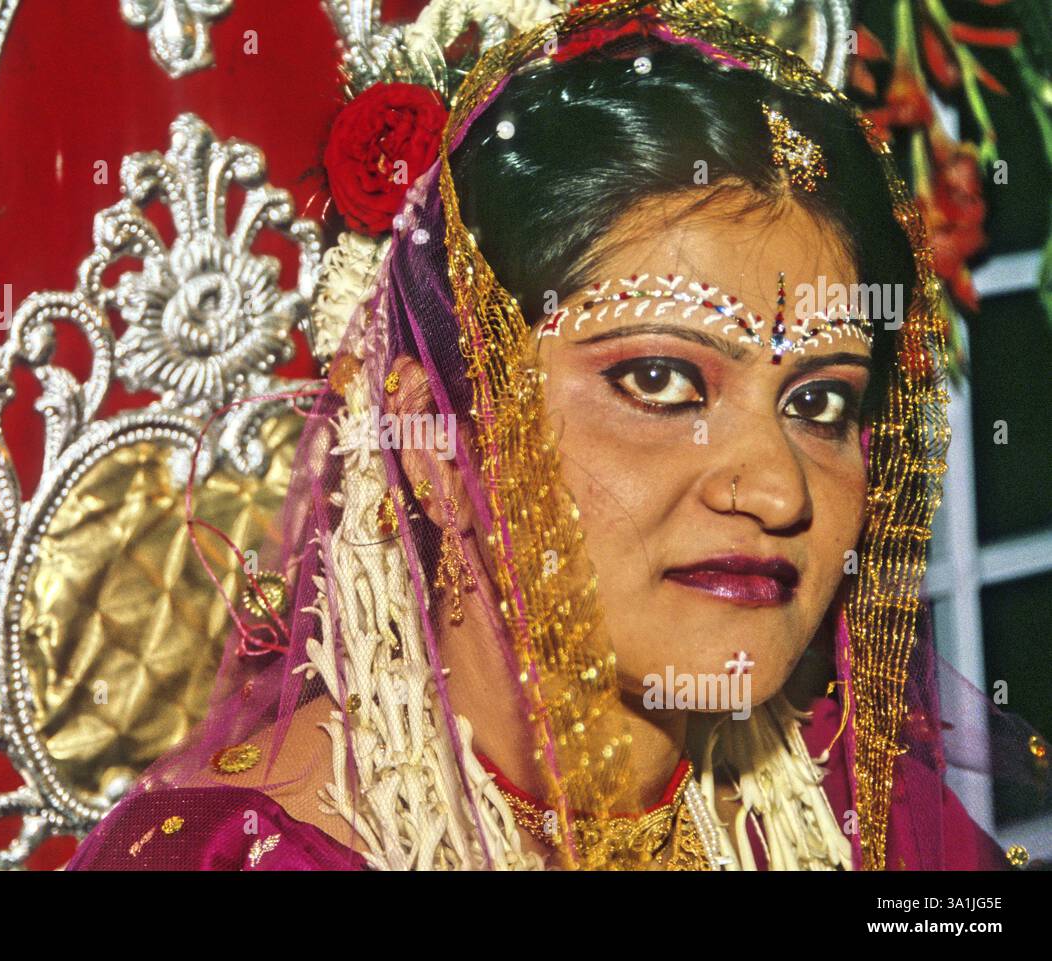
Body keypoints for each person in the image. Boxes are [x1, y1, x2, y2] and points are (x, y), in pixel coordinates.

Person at [67, 0, 1034, 871]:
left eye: (820, 402)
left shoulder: (853, 804)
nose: (780, 491)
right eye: (660, 381)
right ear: (437, 442)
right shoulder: (247, 860)